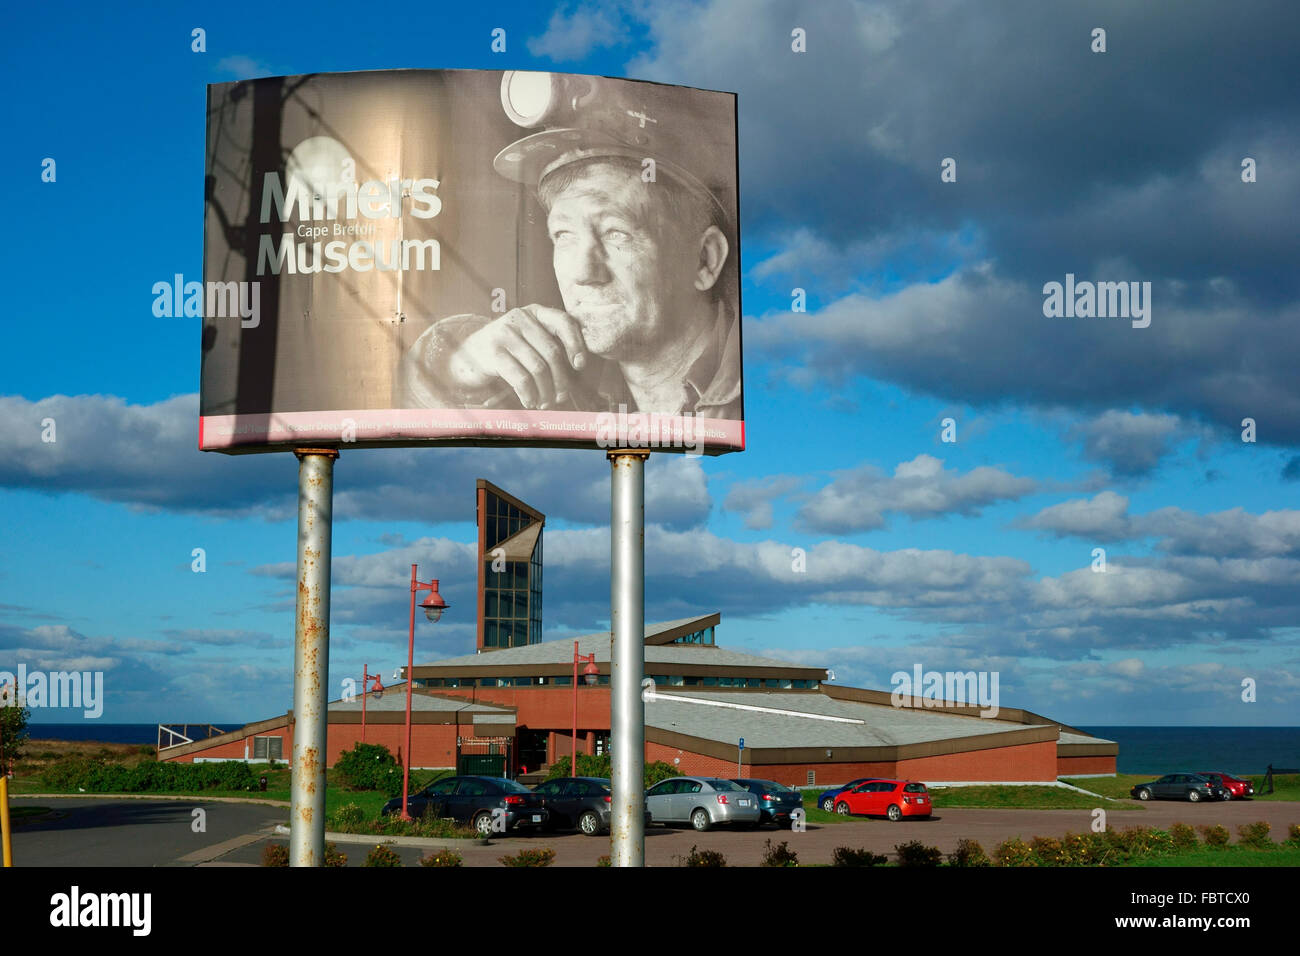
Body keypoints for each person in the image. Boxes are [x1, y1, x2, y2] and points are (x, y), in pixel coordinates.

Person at [400, 154, 741, 419]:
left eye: (616, 232)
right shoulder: (561, 381)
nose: (582, 272)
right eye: (564, 235)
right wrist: (459, 365)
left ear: (704, 260)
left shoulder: (769, 387)